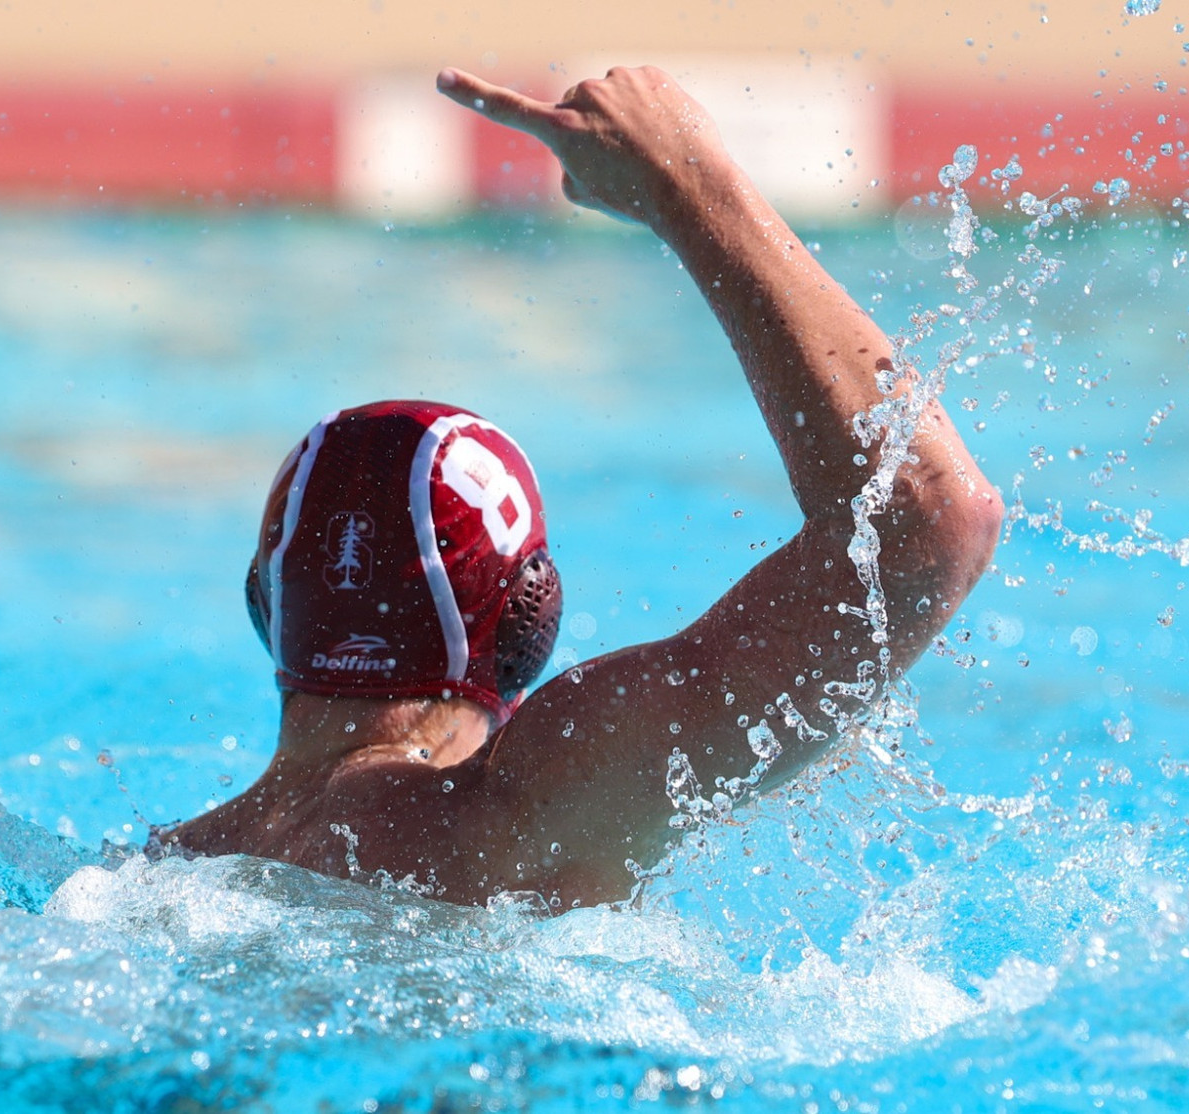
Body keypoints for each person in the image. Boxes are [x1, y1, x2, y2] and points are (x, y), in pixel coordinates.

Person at [158, 64, 1003, 908]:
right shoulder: (525, 815)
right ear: (527, 618)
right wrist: (690, 187)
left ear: (267, 608)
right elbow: (927, 522)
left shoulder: (152, 876)